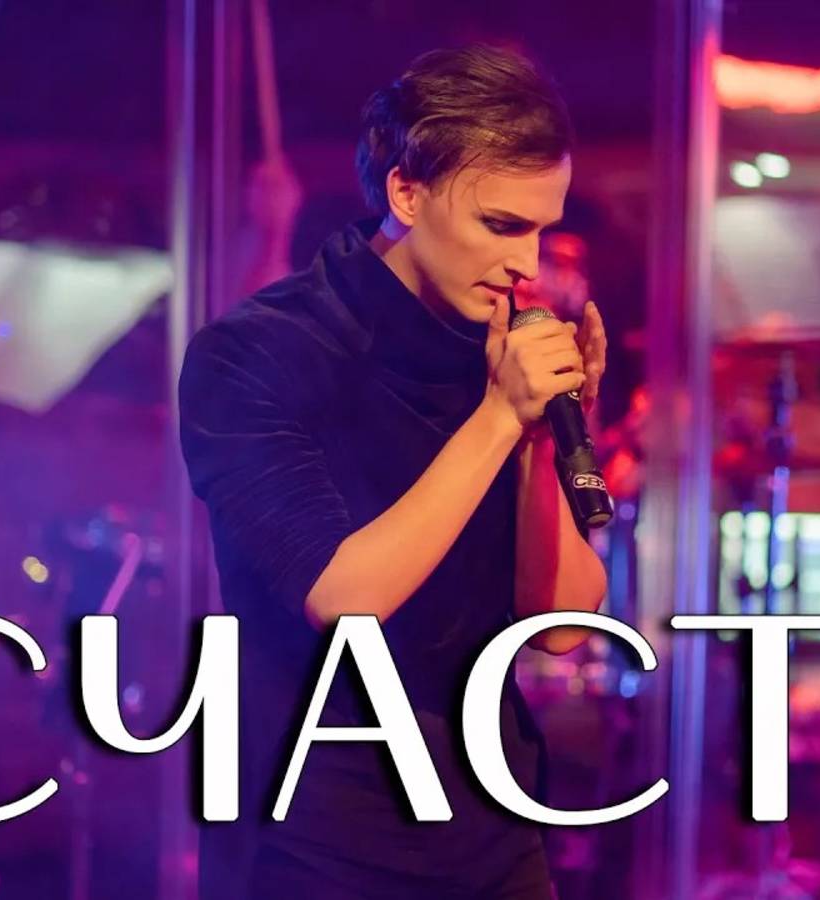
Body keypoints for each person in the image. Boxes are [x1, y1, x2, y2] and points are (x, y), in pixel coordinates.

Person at [178, 44, 609, 899]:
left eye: (542, 228)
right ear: (406, 193)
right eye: (502, 225)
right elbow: (345, 598)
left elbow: (559, 628)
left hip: (492, 826)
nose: (529, 263)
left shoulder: (500, 351)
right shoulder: (258, 354)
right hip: (312, 835)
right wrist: (499, 418)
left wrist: (537, 439)